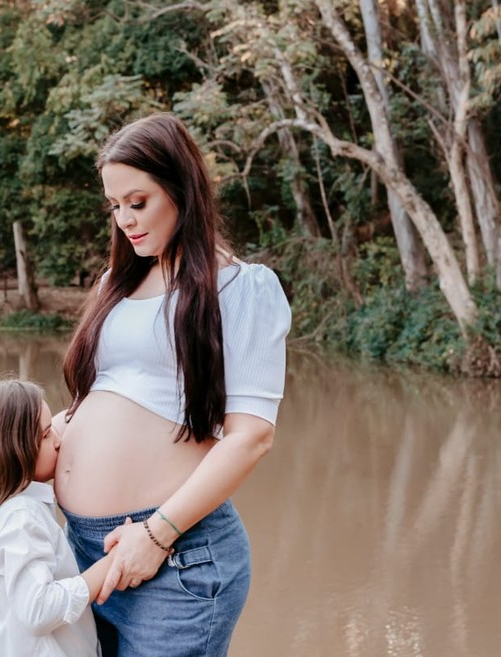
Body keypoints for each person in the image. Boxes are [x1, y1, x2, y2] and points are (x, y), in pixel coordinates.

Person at [53, 112, 292, 657]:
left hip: (174, 558)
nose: (125, 221)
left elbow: (251, 436)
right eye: (115, 206)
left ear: (182, 189)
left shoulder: (240, 289)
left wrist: (156, 534)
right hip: (84, 554)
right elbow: (90, 406)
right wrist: (2, 475)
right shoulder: (115, 285)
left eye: (138, 202)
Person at [0, 377, 117, 657]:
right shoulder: (21, 517)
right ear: (14, 451)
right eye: (47, 434)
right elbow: (39, 610)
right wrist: (112, 563)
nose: (59, 441)